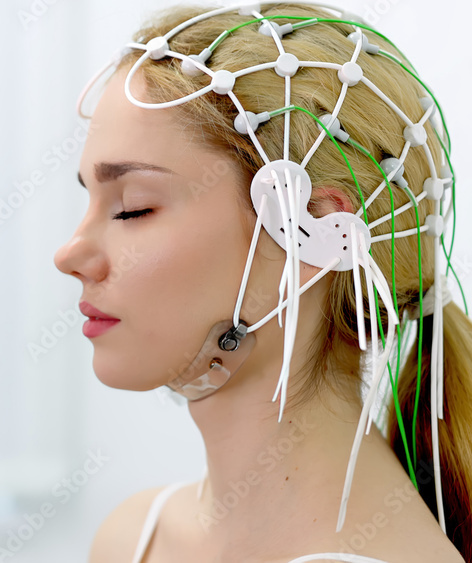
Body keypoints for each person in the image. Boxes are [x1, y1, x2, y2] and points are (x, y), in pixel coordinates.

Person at [54, 2, 471, 562]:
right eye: (88, 199)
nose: (69, 254)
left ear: (315, 232)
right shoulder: (135, 538)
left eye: (132, 209)